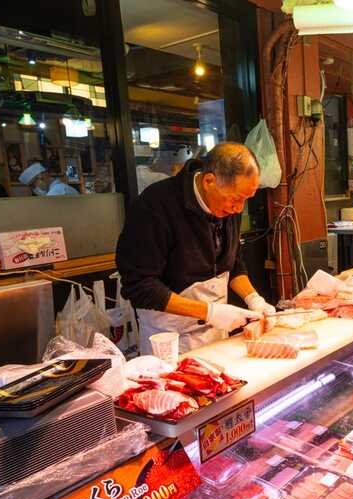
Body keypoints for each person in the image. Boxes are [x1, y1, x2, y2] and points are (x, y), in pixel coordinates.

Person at [115, 142, 275, 355]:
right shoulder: (155, 206)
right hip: (170, 339)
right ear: (209, 181)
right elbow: (139, 286)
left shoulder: (227, 209)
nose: (239, 209)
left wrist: (254, 299)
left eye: (246, 199)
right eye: (236, 199)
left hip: (215, 334)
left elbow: (233, 262)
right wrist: (209, 312)